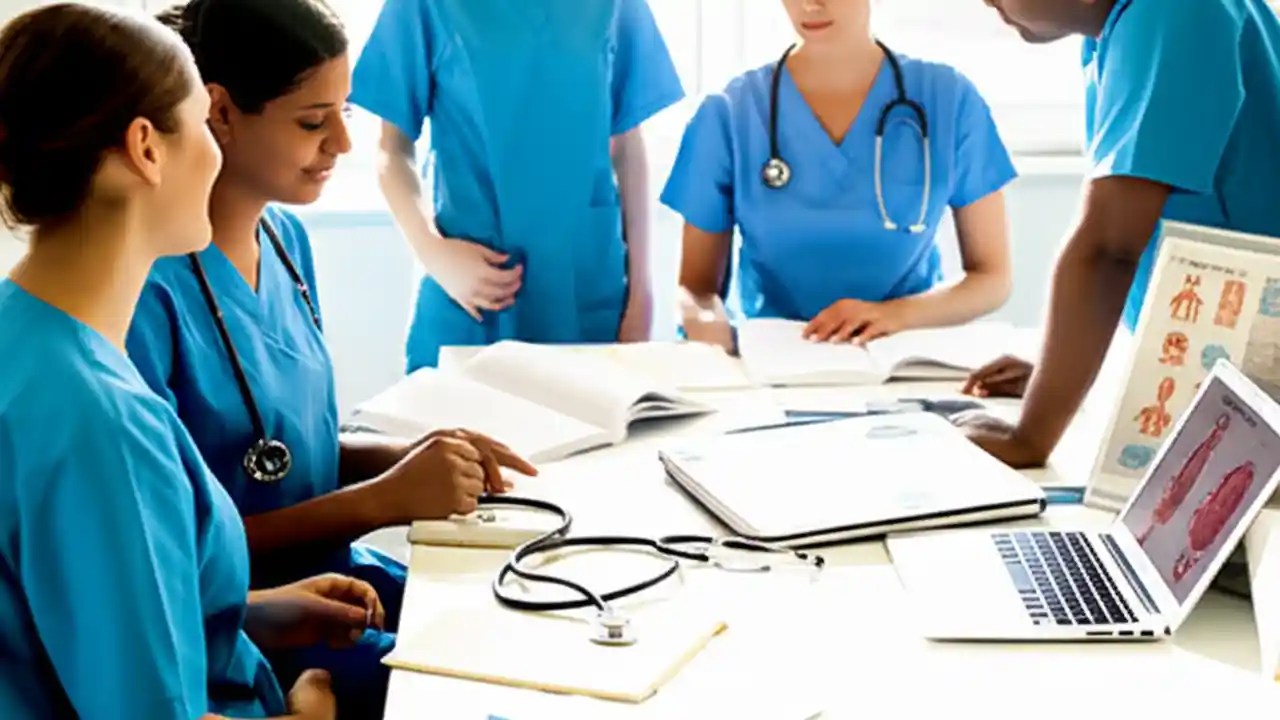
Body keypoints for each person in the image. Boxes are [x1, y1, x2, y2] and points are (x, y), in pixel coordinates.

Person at [124, 2, 536, 717]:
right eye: (314, 122)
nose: (343, 142)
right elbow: (181, 551)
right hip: (257, 621)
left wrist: (409, 456)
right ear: (219, 112)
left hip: (343, 578)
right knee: (486, 693)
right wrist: (385, 499)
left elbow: (286, 450)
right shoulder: (145, 296)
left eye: (343, 112)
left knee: (523, 611)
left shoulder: (286, 242)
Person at [0, 4, 388, 718]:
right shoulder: (100, 421)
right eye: (200, 125)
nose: (215, 153)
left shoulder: (29, 339)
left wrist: (247, 613)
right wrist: (306, 712)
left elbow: (73, 616)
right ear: (146, 148)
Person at [958, 0, 1280, 468]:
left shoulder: (1172, 13)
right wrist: (1061, 376)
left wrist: (1029, 437)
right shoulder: (1121, 30)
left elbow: (1109, 247)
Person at [350, 0, 686, 371]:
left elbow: (626, 146)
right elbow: (392, 150)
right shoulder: (424, 6)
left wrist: (642, 294)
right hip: (474, 286)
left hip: (588, 286)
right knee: (458, 425)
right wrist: (432, 251)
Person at [664, 0, 1016, 350]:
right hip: (775, 362)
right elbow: (697, 289)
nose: (810, 5)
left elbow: (991, 278)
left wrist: (895, 315)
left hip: (905, 358)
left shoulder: (949, 101)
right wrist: (709, 330)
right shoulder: (730, 113)